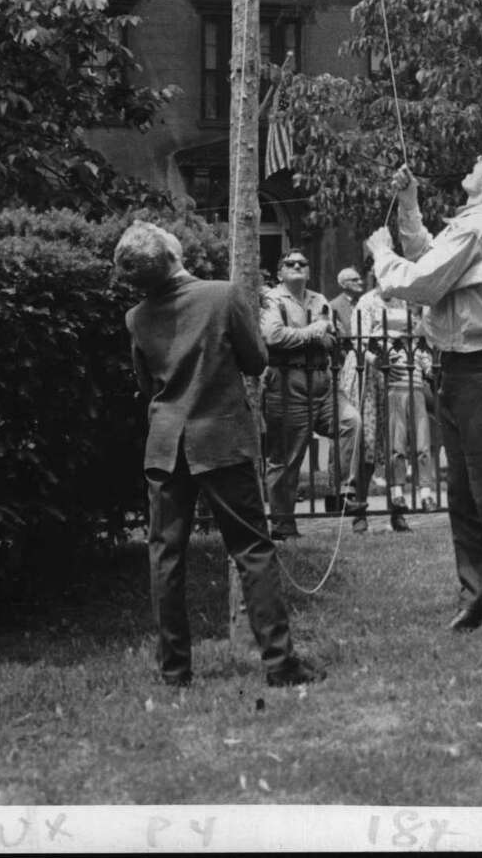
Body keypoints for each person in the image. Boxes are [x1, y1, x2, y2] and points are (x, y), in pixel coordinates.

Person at [115, 222, 323, 689]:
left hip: (165, 443)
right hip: (222, 439)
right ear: (174, 254)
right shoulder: (223, 295)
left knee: (165, 557)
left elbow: (145, 384)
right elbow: (257, 360)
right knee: (251, 548)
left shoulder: (137, 318)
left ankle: (174, 670)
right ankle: (280, 662)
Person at [365, 146, 482, 633]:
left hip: (475, 373)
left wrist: (382, 253)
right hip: (458, 372)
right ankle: (477, 598)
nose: (473, 161)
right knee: (464, 494)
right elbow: (430, 255)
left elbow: (421, 280)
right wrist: (409, 200)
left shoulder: (477, 226)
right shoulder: (474, 225)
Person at [260, 250, 363, 538]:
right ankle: (283, 524)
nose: (296, 266)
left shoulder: (319, 300)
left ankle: (345, 493)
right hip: (287, 384)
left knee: (351, 423)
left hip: (322, 381)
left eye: (302, 263)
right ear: (280, 272)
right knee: (286, 457)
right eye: (289, 264)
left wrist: (318, 334)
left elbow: (333, 338)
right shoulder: (271, 300)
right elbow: (273, 336)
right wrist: (314, 332)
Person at [354, 284, 437, 522]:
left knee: (423, 445)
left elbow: (428, 366)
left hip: (417, 393)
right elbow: (372, 354)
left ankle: (426, 492)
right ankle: (397, 492)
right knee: (396, 445)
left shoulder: (416, 348)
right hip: (395, 394)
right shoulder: (388, 349)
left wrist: (431, 365)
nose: (404, 329)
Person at [329, 266, 365, 338]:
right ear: (343, 284)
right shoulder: (333, 305)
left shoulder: (364, 302)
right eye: (354, 280)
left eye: (360, 279)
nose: (361, 282)